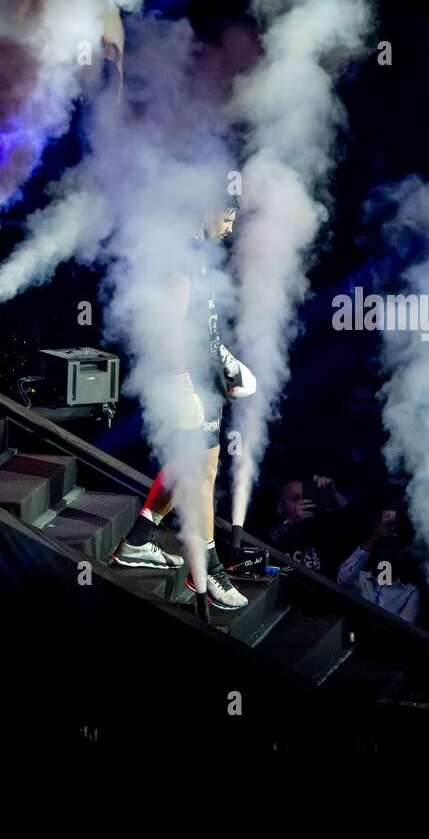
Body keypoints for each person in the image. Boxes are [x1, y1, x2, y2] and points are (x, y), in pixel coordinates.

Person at [109, 201, 256, 611]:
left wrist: (224, 364)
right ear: (206, 210)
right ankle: (205, 572)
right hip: (187, 380)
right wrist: (183, 386)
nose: (229, 229)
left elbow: (200, 325)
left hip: (204, 378)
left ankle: (138, 540)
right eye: (226, 219)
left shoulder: (202, 255)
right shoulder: (182, 255)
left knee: (192, 465)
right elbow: (169, 327)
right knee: (202, 474)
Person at [336, 504, 422, 623]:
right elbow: (344, 577)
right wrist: (375, 538)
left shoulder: (408, 592)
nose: (386, 554)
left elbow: (403, 631)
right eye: (382, 549)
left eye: (392, 550)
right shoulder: (360, 580)